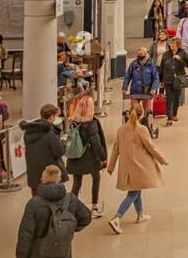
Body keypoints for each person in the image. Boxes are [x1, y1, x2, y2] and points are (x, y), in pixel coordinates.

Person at [107, 104, 169, 233]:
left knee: (136, 189)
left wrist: (111, 167)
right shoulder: (141, 129)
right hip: (140, 166)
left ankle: (140, 214)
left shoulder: (121, 129)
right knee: (133, 193)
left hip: (127, 166)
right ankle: (116, 218)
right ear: (142, 115)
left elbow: (115, 150)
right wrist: (162, 160)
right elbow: (151, 147)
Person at [65, 87, 107, 217]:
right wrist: (103, 157)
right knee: (96, 179)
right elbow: (96, 144)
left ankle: (70, 209)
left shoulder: (74, 122)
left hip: (76, 156)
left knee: (77, 182)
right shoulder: (92, 124)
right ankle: (94, 207)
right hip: (90, 158)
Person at [21, 104, 68, 197]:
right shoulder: (50, 133)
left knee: (37, 201)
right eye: (55, 116)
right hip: (49, 175)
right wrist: (63, 142)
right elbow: (58, 152)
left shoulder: (29, 132)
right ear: (51, 117)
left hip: (34, 174)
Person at [159, 36, 188, 124]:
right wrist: (160, 80)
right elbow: (162, 67)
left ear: (178, 45)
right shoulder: (166, 54)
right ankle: (169, 118)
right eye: (170, 43)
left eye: (173, 44)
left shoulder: (183, 53)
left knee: (177, 98)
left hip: (178, 80)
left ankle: (174, 114)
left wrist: (180, 59)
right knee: (169, 98)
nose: (171, 45)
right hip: (167, 79)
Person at [122, 46, 160, 112]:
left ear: (145, 54)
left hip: (147, 91)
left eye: (141, 54)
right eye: (138, 54)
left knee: (147, 112)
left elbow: (156, 78)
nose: (139, 56)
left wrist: (154, 88)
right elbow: (127, 76)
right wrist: (124, 88)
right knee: (134, 111)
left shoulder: (151, 65)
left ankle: (148, 122)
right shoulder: (133, 64)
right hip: (135, 91)